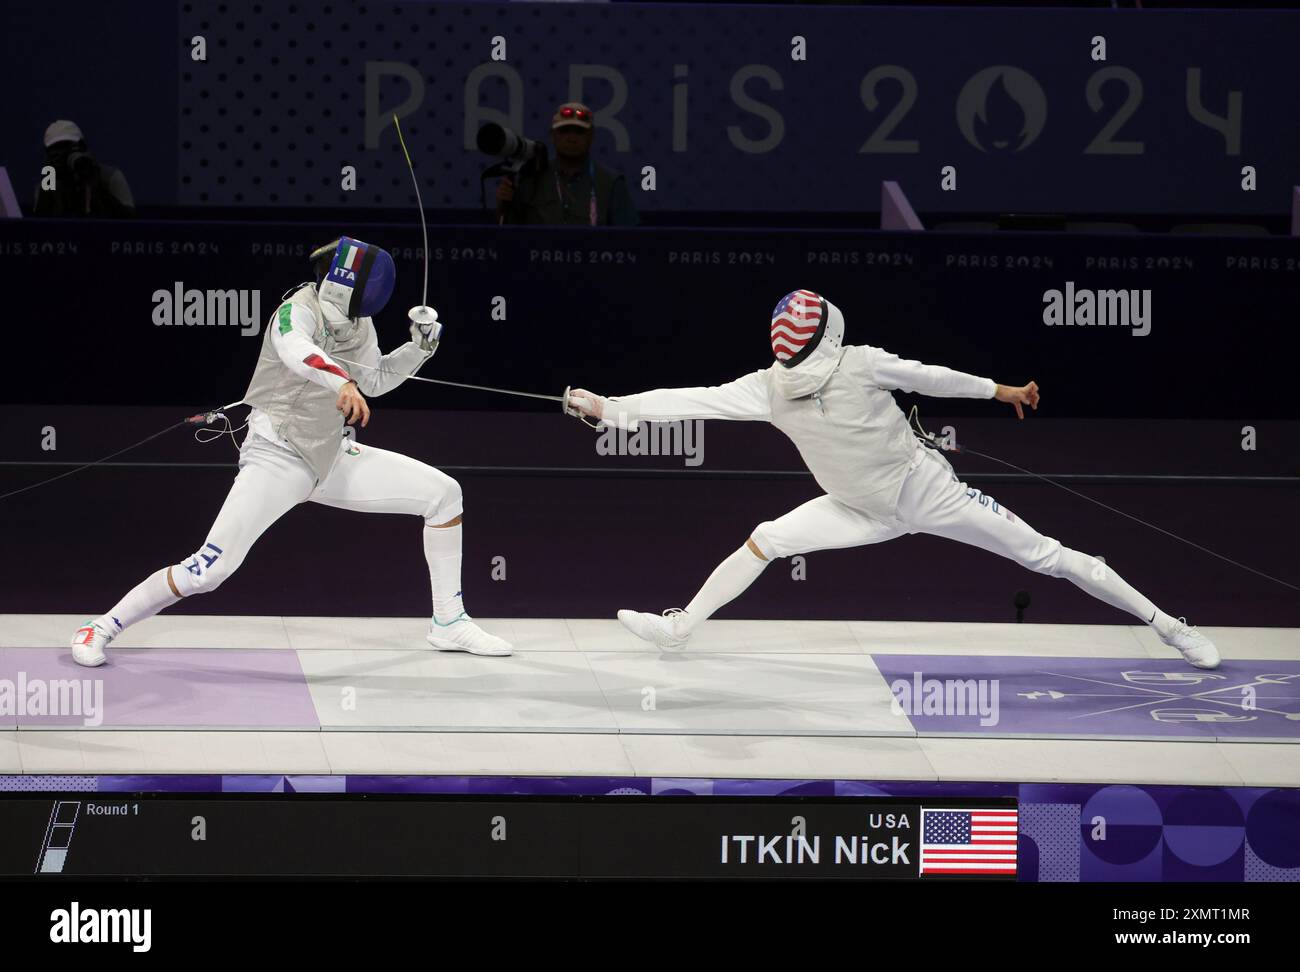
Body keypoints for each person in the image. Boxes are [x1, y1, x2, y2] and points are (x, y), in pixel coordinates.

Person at [564, 289, 1220, 669]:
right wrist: (611, 409)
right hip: (856, 507)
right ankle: (680, 631)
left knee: (1044, 555)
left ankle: (1167, 624)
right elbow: (692, 399)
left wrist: (609, 409)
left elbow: (929, 378)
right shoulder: (795, 380)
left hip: (928, 492)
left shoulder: (797, 379)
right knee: (767, 537)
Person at [71, 236, 512, 666]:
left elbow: (374, 379)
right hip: (276, 455)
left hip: (329, 456)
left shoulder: (360, 324)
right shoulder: (294, 312)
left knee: (443, 494)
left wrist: (419, 348)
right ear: (347, 283)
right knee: (208, 571)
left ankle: (448, 620)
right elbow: (298, 352)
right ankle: (102, 626)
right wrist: (341, 381)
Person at [496, 102, 637, 226]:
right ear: (552, 135)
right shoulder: (530, 178)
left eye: (579, 132)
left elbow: (629, 241)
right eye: (564, 131)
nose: (571, 138)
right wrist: (504, 206)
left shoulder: (611, 183)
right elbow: (511, 238)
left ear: (591, 136)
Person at [32, 120, 135, 218]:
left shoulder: (109, 177)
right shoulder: (48, 184)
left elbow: (129, 224)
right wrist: (47, 189)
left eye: (67, 147)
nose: (62, 155)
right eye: (55, 150)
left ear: (83, 148)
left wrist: (96, 185)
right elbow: (39, 230)